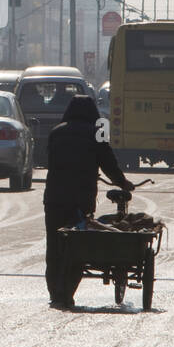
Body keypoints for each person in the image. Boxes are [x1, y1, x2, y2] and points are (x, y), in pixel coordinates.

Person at [42, 95, 135, 310]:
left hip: (54, 199)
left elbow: (51, 161)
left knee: (54, 246)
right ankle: (67, 292)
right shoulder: (97, 134)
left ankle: (55, 292)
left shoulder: (56, 132)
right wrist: (123, 183)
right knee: (76, 245)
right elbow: (108, 163)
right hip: (80, 200)